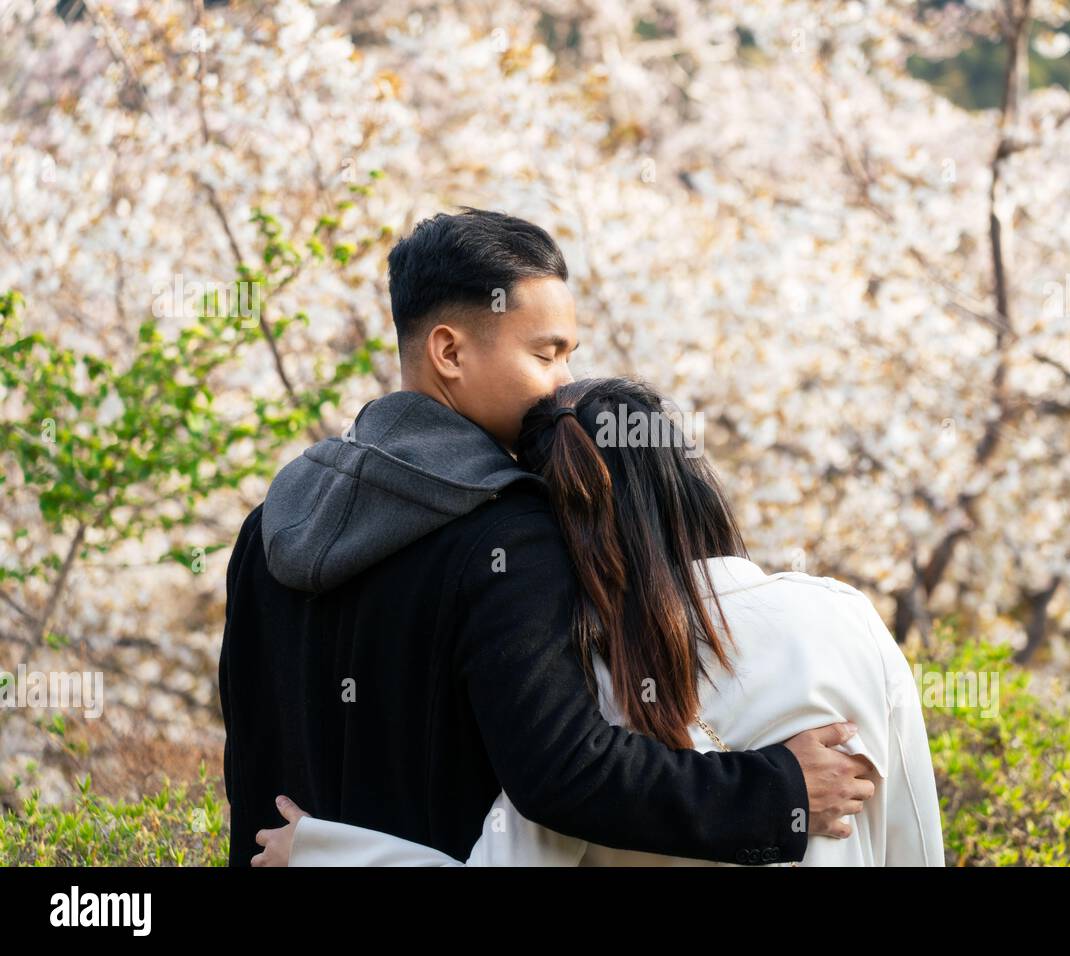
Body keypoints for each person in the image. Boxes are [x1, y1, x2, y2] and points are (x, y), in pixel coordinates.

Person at [219, 208, 874, 868]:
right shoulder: (508, 535)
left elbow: (250, 751)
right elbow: (564, 773)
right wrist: (777, 790)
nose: (563, 383)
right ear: (449, 352)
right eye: (545, 353)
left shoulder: (272, 519)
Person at [254, 378, 945, 867]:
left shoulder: (591, 685)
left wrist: (326, 855)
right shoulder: (845, 619)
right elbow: (912, 833)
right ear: (687, 479)